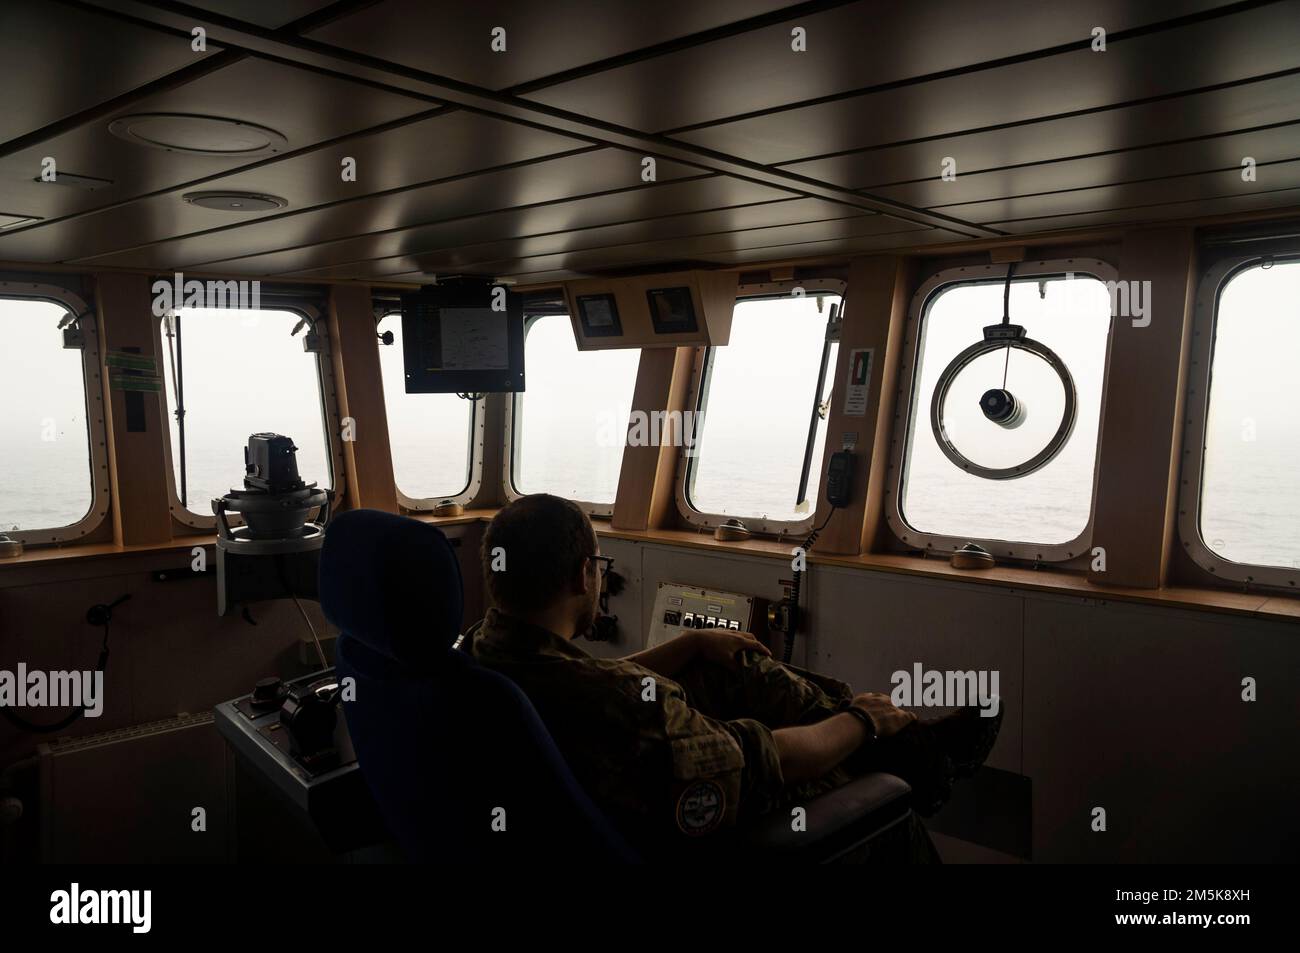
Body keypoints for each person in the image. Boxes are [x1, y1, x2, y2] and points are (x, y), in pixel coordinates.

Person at [470, 493, 1002, 861]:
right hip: (681, 832)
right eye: (598, 565)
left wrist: (692, 642)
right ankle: (917, 760)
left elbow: (588, 678)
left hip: (589, 805)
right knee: (881, 789)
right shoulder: (625, 708)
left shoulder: (481, 650)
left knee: (716, 665)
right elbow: (768, 759)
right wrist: (862, 719)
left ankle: (915, 744)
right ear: (583, 574)